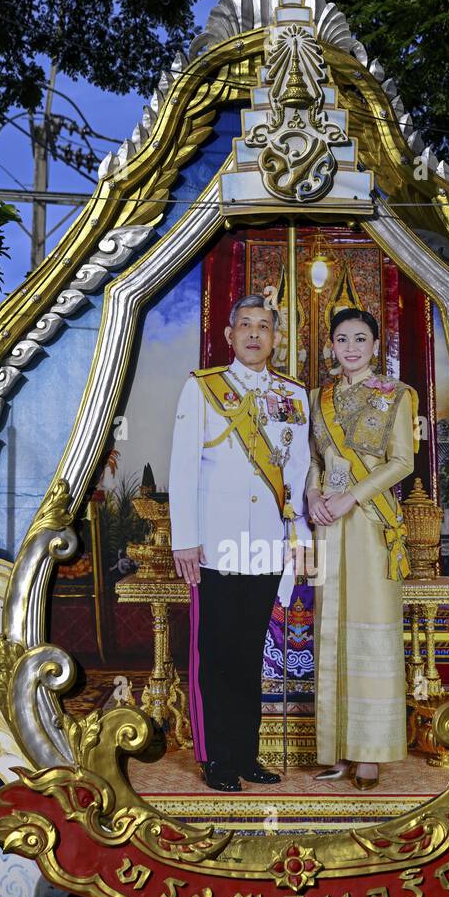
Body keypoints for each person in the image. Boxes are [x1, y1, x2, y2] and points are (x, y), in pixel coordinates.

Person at [169, 295, 311, 792]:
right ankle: (216, 758)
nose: (254, 334)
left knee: (250, 654)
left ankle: (247, 754)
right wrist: (184, 539)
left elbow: (295, 479)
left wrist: (299, 541)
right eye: (245, 325)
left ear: (276, 338)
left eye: (264, 326)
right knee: (215, 652)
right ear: (229, 335)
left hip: (267, 546)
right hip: (214, 544)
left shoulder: (295, 396)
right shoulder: (204, 389)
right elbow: (183, 467)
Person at [308, 307, 417, 789]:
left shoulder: (397, 396)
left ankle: (369, 752)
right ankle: (334, 748)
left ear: (377, 345)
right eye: (341, 339)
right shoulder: (319, 397)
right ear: (332, 346)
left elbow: (402, 463)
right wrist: (314, 496)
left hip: (370, 523)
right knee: (331, 632)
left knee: (370, 630)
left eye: (360, 339)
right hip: (327, 524)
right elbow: (312, 460)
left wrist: (351, 495)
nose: (350, 347)